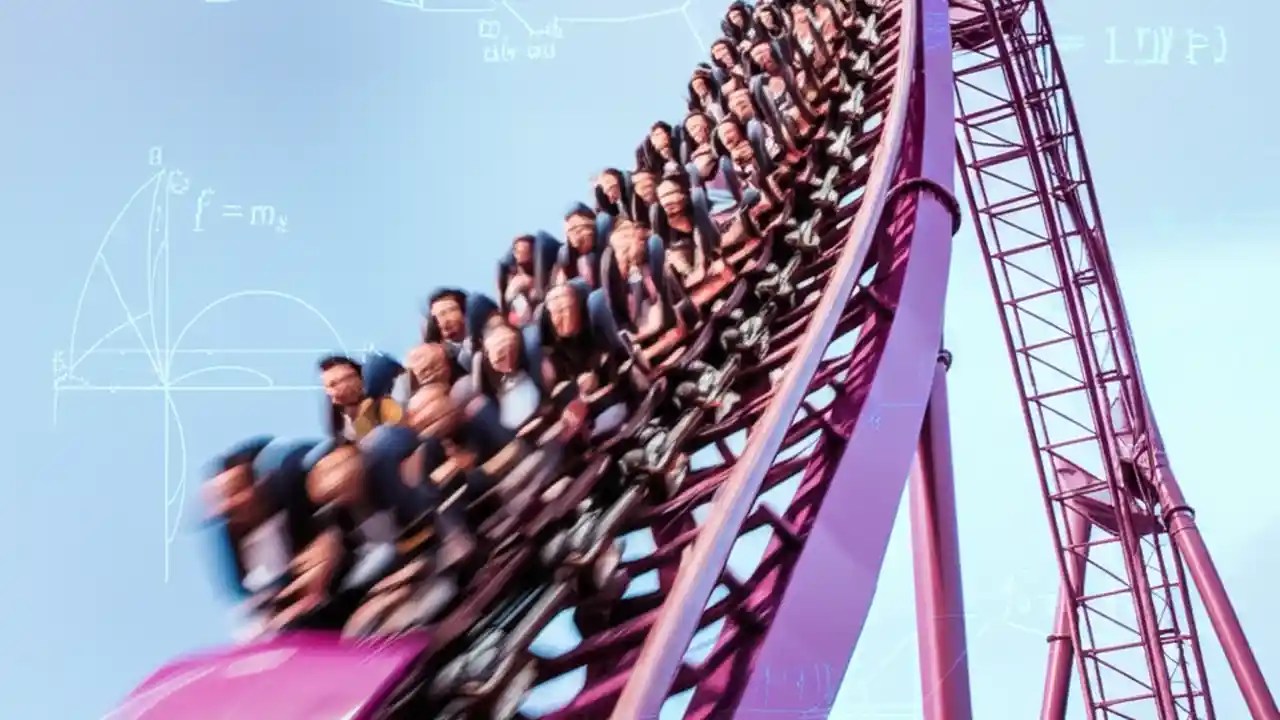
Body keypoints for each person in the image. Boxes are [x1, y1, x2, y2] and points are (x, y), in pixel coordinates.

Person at [319, 354, 405, 441]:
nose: (344, 386)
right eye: (331, 385)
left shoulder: (385, 404)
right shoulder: (339, 420)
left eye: (349, 377)